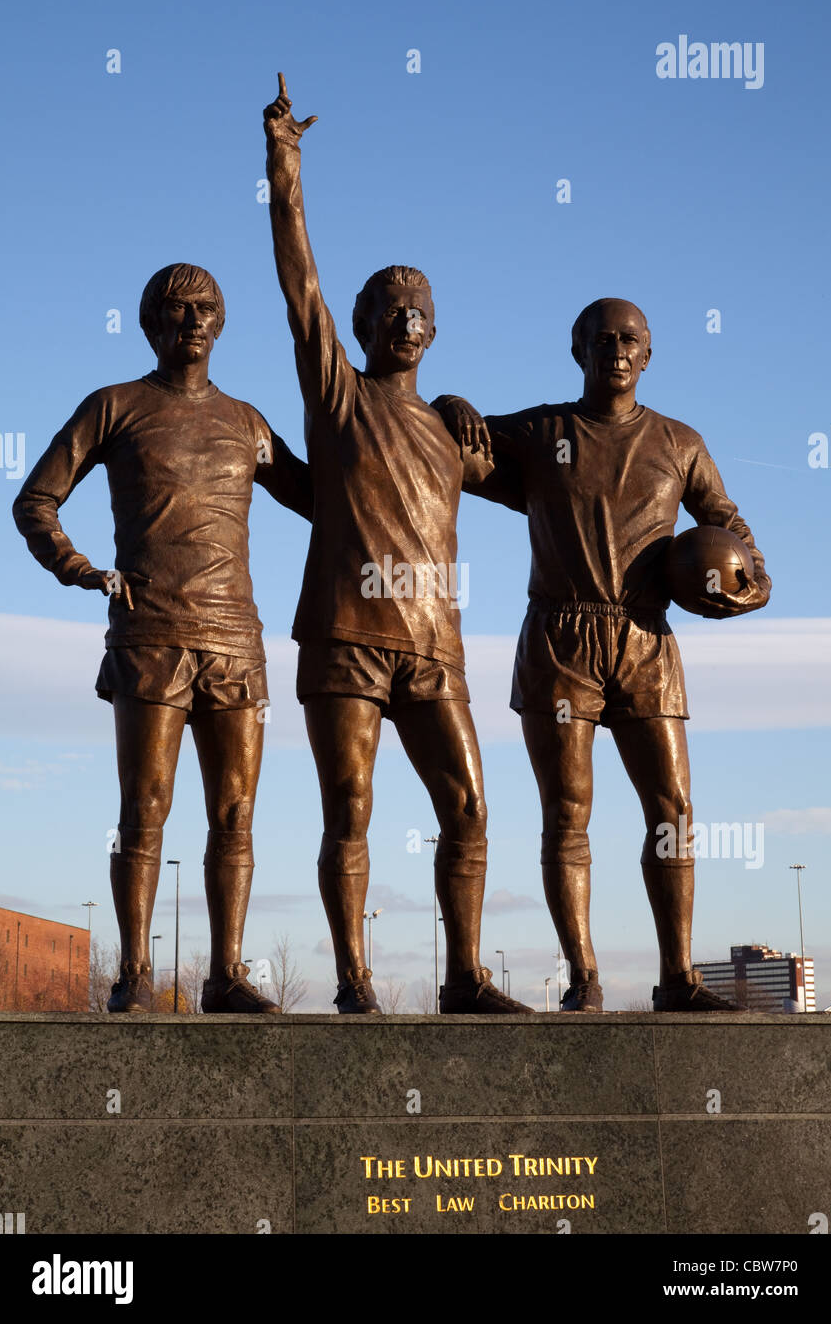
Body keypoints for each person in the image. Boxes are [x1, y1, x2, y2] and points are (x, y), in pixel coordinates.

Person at [263, 74, 531, 1015]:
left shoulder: (457, 432)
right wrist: (285, 167)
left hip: (436, 645)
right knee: (353, 811)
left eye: (420, 305)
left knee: (470, 809)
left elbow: (559, 485)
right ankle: (353, 981)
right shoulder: (339, 395)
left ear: (434, 329)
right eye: (390, 306)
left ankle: (463, 978)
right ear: (370, 329)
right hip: (344, 638)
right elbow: (302, 286)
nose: (406, 316)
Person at [435, 297, 771, 1012]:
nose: (616, 349)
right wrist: (449, 399)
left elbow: (732, 528)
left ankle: (677, 977)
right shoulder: (540, 432)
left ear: (648, 355)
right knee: (568, 811)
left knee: (673, 808)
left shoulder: (680, 443)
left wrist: (749, 588)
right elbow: (448, 449)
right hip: (561, 639)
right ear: (577, 351)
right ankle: (584, 976)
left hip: (645, 639)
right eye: (601, 339)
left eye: (630, 339)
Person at [13, 263, 312, 1014]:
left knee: (235, 814)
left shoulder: (249, 423)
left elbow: (325, 498)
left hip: (236, 642)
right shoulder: (114, 407)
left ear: (222, 321)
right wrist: (79, 570)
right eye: (177, 311)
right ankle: (136, 975)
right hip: (150, 638)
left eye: (206, 309)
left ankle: (225, 975)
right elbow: (35, 500)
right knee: (144, 807)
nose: (193, 322)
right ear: (151, 324)